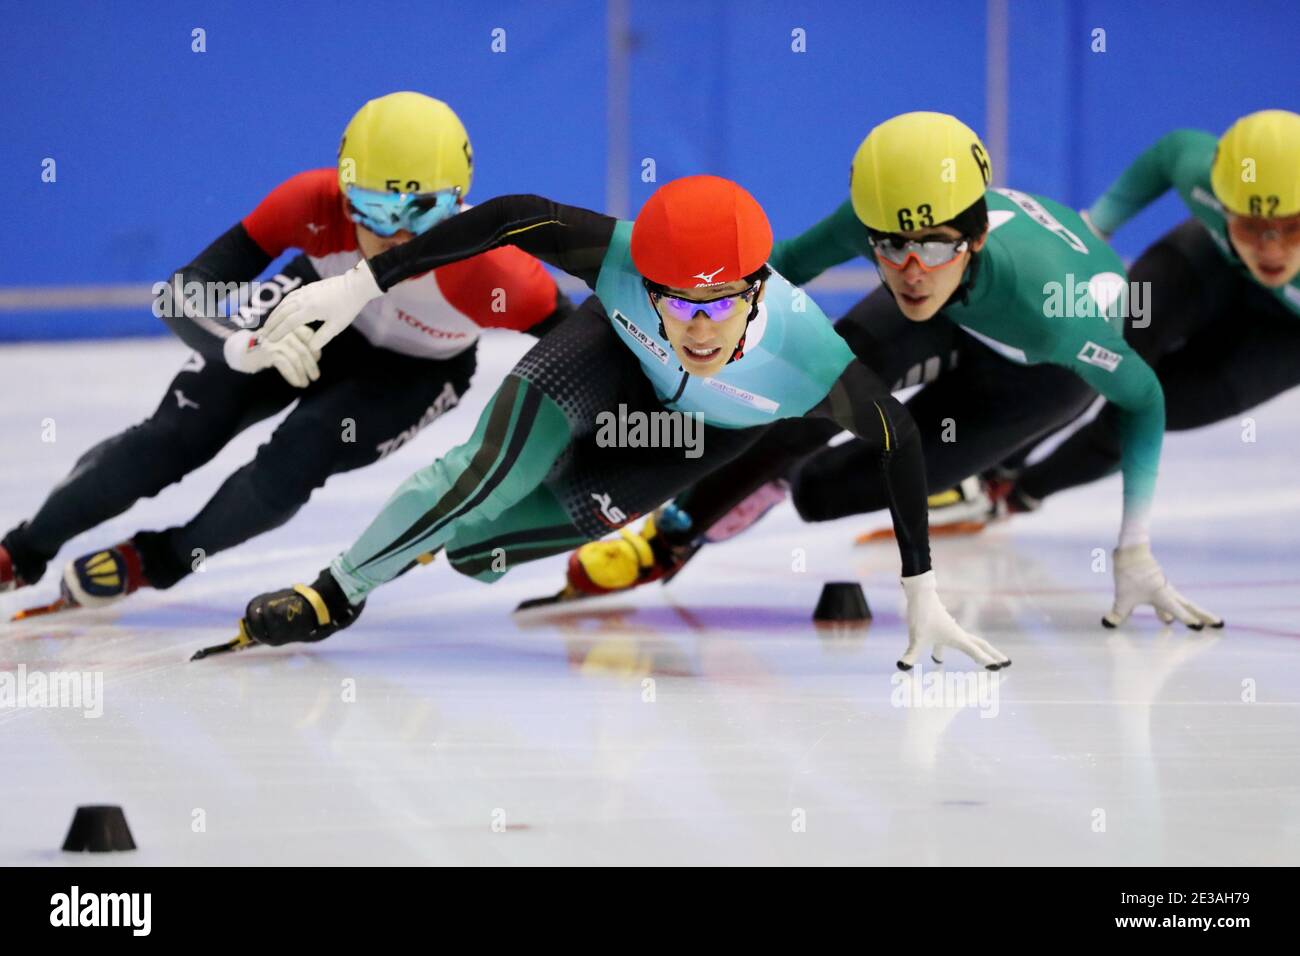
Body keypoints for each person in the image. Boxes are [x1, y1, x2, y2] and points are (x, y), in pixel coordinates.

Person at [226, 174, 1010, 670]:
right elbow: (509, 215)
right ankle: (337, 591)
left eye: (719, 305)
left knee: (477, 549)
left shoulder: (809, 357)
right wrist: (361, 284)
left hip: (690, 435)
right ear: (649, 280)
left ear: (757, 295)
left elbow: (898, 437)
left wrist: (921, 585)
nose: (698, 327)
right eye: (675, 301)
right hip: (604, 355)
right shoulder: (620, 257)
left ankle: (437, 541)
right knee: (485, 473)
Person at [557, 112, 1220, 632]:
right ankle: (674, 534)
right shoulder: (892, 215)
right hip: (958, 308)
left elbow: (1145, 398)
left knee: (825, 493)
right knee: (807, 401)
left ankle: (795, 481)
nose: (909, 267)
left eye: (931, 244)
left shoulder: (1053, 315)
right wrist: (677, 298)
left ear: (977, 235)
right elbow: (784, 262)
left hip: (1035, 371)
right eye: (888, 245)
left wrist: (1134, 545)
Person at [0, 92, 568, 612]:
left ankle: (163, 559)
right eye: (376, 209)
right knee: (174, 436)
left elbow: (588, 356)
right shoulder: (310, 202)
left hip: (416, 369)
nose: (399, 237)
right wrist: (236, 345)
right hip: (307, 315)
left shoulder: (501, 277)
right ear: (344, 196)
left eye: (424, 212)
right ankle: (21, 550)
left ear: (461, 203)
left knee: (300, 455)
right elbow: (182, 291)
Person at [994, 110, 1300, 515]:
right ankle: (989, 460)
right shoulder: (1200, 174)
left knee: (1148, 410)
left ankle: (1012, 496)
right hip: (1211, 263)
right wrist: (1096, 225)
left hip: (1286, 334)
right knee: (1104, 341)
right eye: (1249, 226)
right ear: (1222, 203)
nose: (1271, 250)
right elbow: (1172, 149)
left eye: (1293, 227)